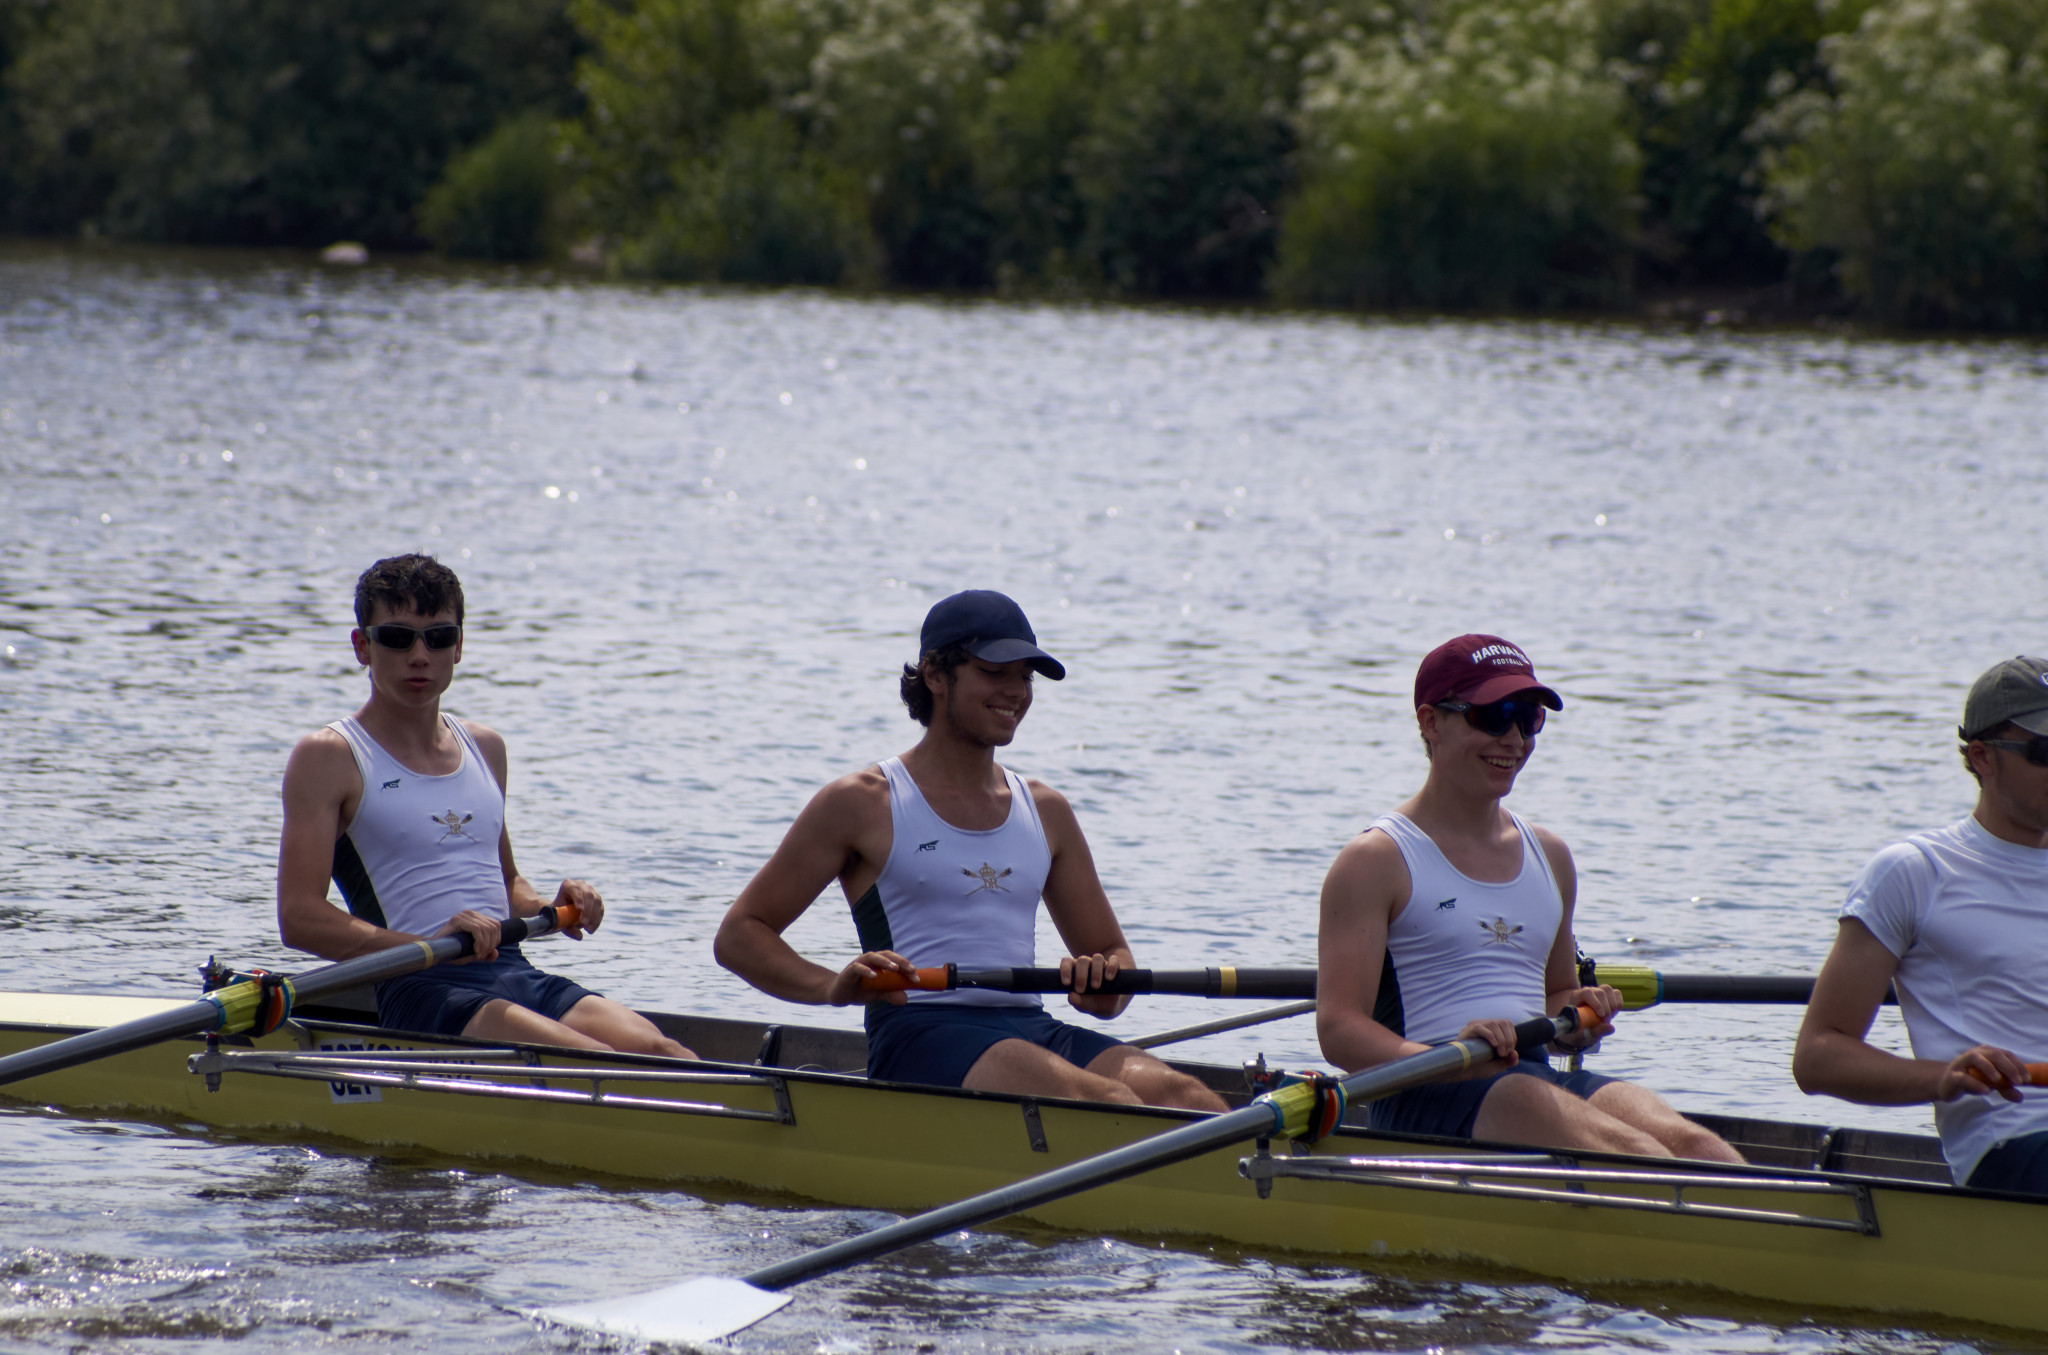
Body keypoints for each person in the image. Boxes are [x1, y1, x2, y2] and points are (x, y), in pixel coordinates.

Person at [714, 590, 1224, 1110]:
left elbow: (1115, 959)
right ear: (935, 675)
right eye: (994, 672)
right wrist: (832, 987)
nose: (1016, 693)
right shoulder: (861, 803)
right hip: (920, 1034)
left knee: (1191, 1100)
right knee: (1109, 1102)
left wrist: (1105, 987)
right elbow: (740, 935)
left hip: (1030, 1027)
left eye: (1025, 677)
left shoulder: (1046, 811)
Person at [1316, 634, 1741, 1161]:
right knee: (1639, 1153)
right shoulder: (1375, 861)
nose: (1514, 738)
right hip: (1424, 1092)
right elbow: (1339, 1029)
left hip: (1529, 1078)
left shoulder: (1551, 855)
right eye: (1493, 717)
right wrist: (1452, 1057)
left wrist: (1577, 1019)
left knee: (1701, 1148)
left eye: (1529, 719)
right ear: (1431, 722)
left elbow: (1557, 992)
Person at [276, 554, 693, 1058]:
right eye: (397, 637)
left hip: (514, 970)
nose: (419, 655)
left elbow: (507, 883)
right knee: (599, 1062)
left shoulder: (485, 747)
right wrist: (424, 947)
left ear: (459, 648)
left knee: (669, 1055)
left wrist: (555, 907)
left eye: (438, 637)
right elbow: (299, 917)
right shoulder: (329, 757)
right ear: (362, 646)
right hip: (422, 988)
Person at [1795, 655, 2048, 1193]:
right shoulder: (1915, 872)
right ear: (1982, 757)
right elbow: (1819, 1055)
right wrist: (1945, 1076)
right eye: (2044, 751)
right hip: (2013, 1144)